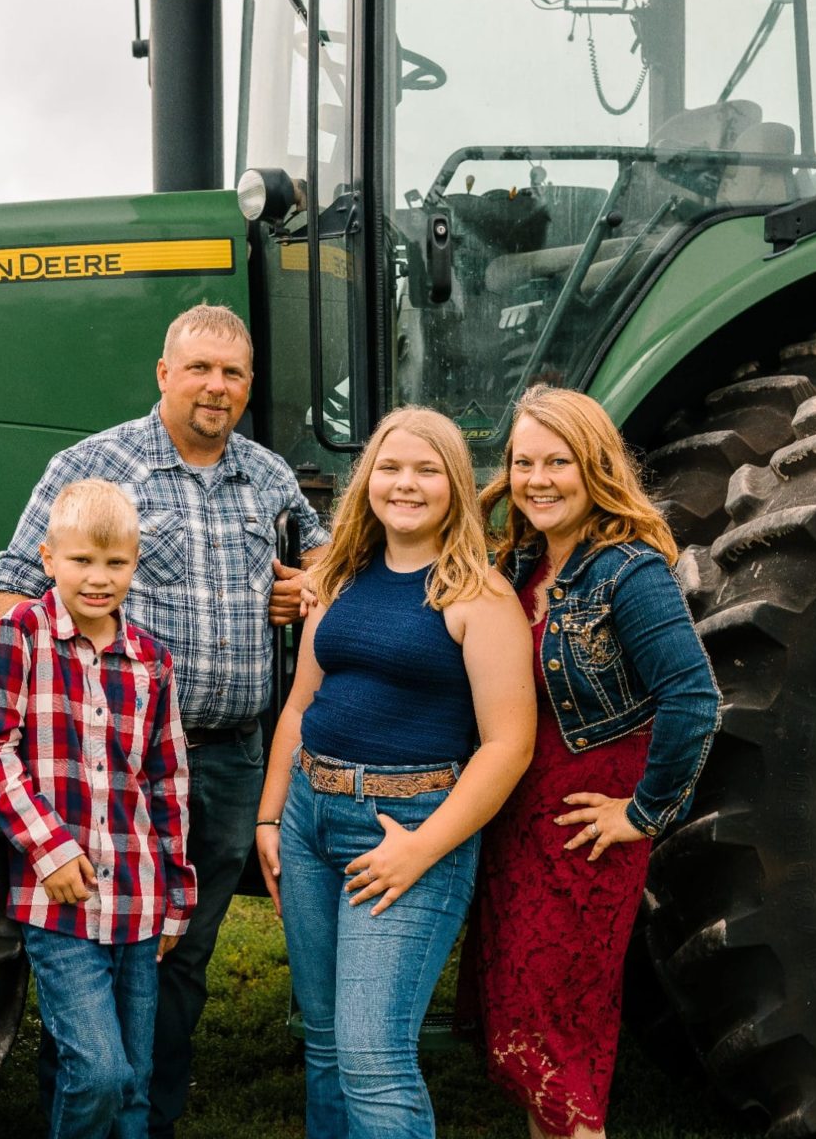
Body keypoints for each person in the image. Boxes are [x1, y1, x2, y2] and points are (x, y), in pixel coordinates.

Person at [0, 302, 329, 1139]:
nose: (218, 386)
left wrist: (307, 585)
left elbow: (326, 552)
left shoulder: (268, 478)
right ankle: (81, 1104)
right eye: (201, 369)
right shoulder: (98, 465)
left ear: (249, 385)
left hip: (222, 760)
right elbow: (11, 589)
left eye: (234, 373)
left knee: (178, 955)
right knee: (81, 956)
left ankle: (150, 1117)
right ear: (164, 374)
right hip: (105, 769)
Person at [256, 406, 536, 1139]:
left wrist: (421, 847)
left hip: (408, 831)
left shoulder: (479, 595)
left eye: (426, 469)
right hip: (309, 822)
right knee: (323, 1045)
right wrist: (269, 817)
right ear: (366, 481)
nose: (404, 484)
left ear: (454, 485)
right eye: (389, 467)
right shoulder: (343, 579)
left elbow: (508, 746)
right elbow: (298, 709)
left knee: (372, 1057)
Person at [464, 386, 721, 1139]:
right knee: (525, 1014)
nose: (537, 479)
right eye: (522, 463)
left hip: (585, 830)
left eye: (557, 462)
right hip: (518, 819)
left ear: (595, 467)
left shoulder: (627, 571)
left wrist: (643, 813)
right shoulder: (520, 566)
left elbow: (694, 697)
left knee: (560, 1023)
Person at [0, 478, 195, 1139]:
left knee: (132, 1083)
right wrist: (50, 847)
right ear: (47, 558)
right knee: (96, 1069)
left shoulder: (151, 661)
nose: (99, 579)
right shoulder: (21, 635)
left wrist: (178, 896)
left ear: (134, 564)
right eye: (82, 561)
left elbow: (168, 783)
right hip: (58, 900)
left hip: (138, 900)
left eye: (115, 563)